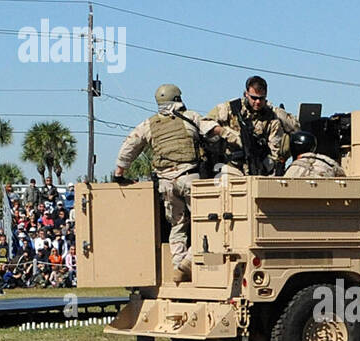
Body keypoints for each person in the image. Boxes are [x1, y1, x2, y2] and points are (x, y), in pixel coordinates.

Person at [114, 83, 225, 281]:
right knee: (205, 222)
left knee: (177, 224)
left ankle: (177, 265)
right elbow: (212, 129)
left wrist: (119, 173)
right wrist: (229, 135)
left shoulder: (149, 124)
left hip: (166, 183)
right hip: (189, 178)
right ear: (177, 99)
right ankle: (189, 260)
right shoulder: (190, 117)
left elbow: (129, 146)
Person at [206, 75, 285, 177]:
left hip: (258, 169)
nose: (258, 102)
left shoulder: (272, 119)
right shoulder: (231, 108)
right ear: (246, 94)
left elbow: (274, 153)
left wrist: (263, 167)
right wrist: (225, 133)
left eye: (261, 98)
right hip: (232, 166)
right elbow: (204, 123)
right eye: (254, 98)